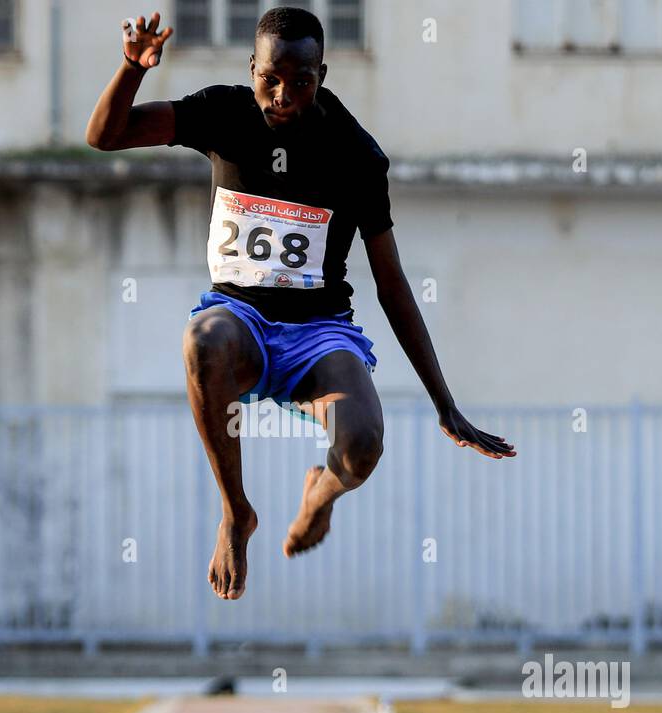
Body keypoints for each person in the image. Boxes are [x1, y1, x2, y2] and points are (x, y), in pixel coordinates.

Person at [86, 7, 515, 600]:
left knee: (363, 446)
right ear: (252, 68)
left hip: (319, 333)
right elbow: (106, 135)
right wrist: (133, 68)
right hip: (240, 320)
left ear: (323, 75)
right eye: (271, 78)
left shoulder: (357, 155)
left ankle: (319, 494)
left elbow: (391, 284)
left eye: (302, 81)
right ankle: (237, 513)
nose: (283, 95)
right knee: (201, 339)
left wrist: (445, 404)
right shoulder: (223, 112)